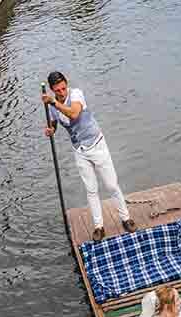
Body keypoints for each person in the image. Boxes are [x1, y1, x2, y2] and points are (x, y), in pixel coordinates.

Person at [42, 71, 136, 242]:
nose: (62, 92)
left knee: (111, 185)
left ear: (66, 84)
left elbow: (74, 114)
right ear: (52, 89)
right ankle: (99, 227)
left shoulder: (76, 94)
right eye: (58, 90)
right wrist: (51, 130)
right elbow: (54, 124)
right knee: (91, 189)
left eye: (63, 88)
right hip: (80, 150)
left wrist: (54, 102)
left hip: (97, 145)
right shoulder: (52, 106)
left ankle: (126, 218)